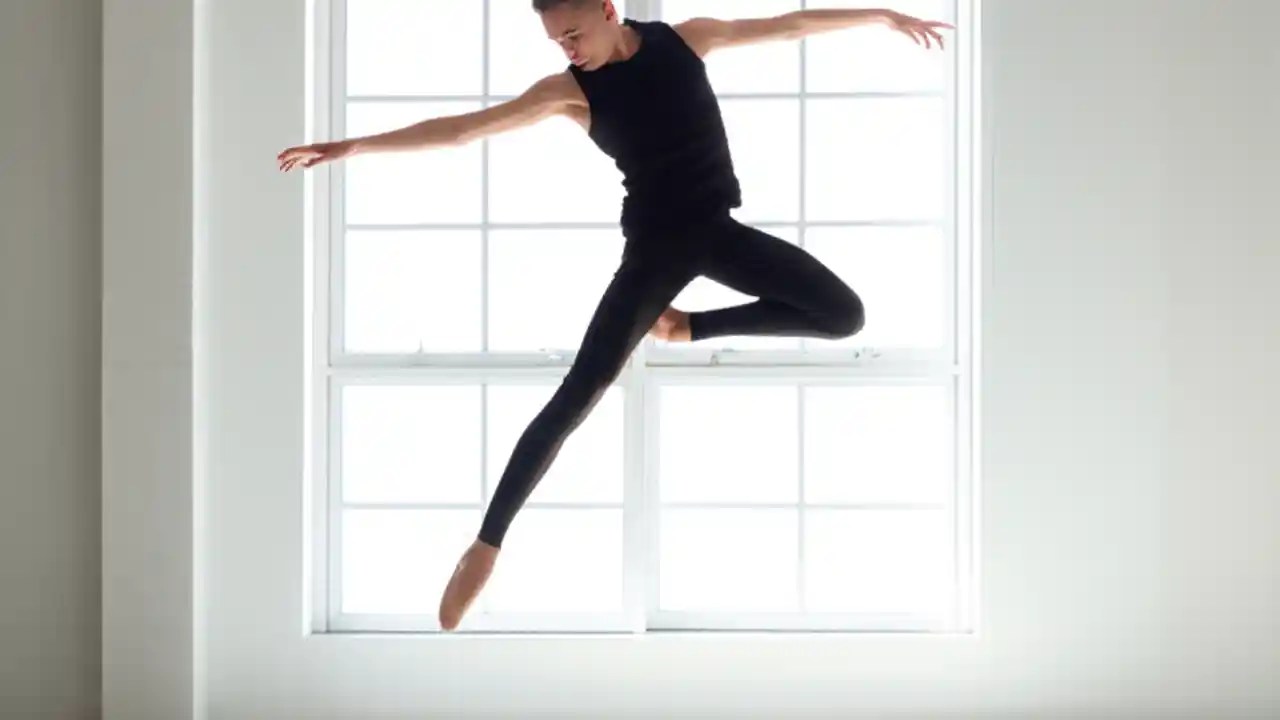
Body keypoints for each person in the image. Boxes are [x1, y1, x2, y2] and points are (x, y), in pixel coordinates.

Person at [278, 0, 952, 631]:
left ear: (607, 8)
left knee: (843, 315)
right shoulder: (570, 92)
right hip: (653, 254)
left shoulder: (689, 40)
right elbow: (463, 131)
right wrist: (352, 147)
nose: (568, 51)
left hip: (717, 233)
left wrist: (883, 16)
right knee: (581, 391)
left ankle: (689, 328)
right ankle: (485, 545)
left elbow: (789, 26)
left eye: (573, 34)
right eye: (555, 42)